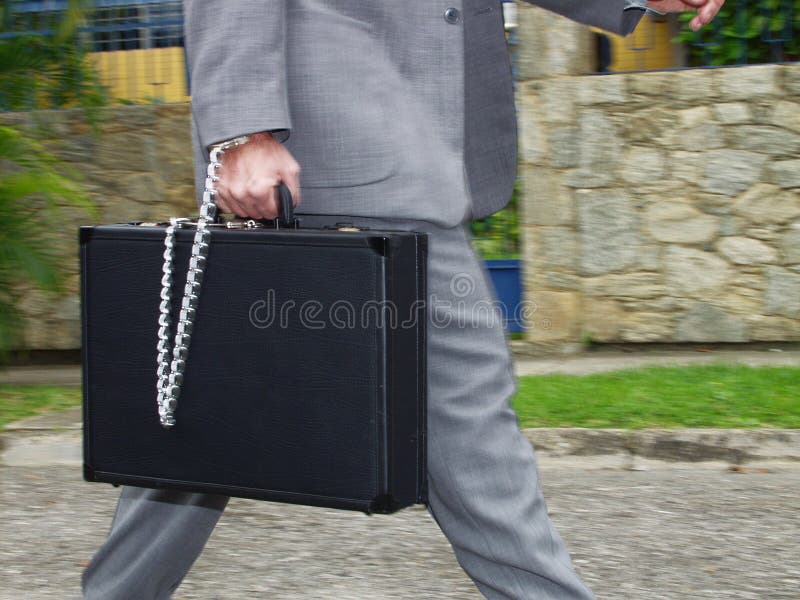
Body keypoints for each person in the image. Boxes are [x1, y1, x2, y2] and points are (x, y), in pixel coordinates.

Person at [82, 1, 724, 598]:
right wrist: (244, 125)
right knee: (466, 413)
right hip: (338, 125)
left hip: (391, 136)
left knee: (201, 414)